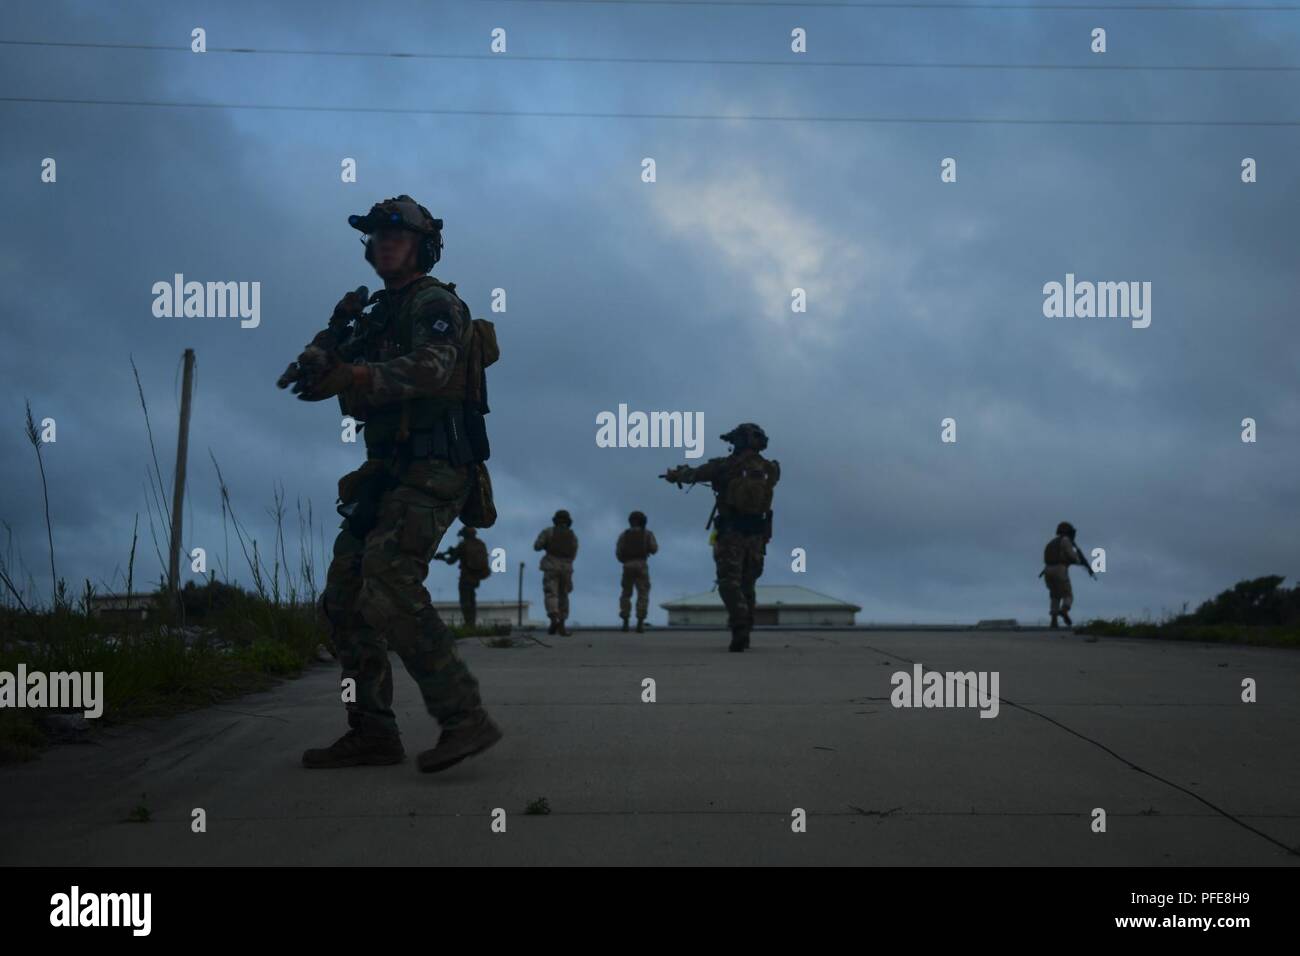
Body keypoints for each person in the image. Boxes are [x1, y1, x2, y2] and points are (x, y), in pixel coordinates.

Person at [284, 194, 502, 773]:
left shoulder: (434, 303)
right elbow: (327, 364)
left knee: (388, 581)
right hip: (387, 471)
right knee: (343, 600)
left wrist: (351, 374)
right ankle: (373, 731)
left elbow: (435, 368)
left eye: (396, 235)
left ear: (422, 246)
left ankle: (464, 718)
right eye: (377, 236)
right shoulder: (376, 311)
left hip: (436, 465)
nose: (383, 243)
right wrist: (320, 356)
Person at [662, 423, 780, 652]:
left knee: (728, 582)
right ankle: (745, 628)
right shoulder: (770, 469)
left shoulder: (725, 465)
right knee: (748, 583)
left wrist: (675, 475)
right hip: (757, 534)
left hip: (731, 532)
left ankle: (739, 623)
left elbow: (694, 474)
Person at [1041, 521, 1095, 630]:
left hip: (1047, 570)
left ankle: (1054, 621)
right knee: (1067, 594)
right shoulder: (1065, 541)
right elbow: (1071, 555)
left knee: (1055, 595)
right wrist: (1080, 561)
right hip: (1060, 569)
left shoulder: (1051, 542)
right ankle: (1064, 610)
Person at [435, 527, 492, 627]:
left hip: (466, 578)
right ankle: (472, 624)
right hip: (476, 578)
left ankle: (469, 624)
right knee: (472, 600)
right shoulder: (480, 544)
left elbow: (451, 561)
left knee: (465, 601)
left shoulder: (463, 545)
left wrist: (442, 558)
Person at [534, 510, 578, 635]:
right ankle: (562, 624)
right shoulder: (572, 535)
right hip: (566, 568)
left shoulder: (548, 532)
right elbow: (574, 553)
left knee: (551, 594)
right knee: (564, 595)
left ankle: (554, 619)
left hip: (551, 565)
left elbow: (537, 546)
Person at [615, 511, 658, 632]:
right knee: (643, 593)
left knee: (626, 593)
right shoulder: (647, 534)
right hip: (641, 565)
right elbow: (654, 549)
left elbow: (618, 552)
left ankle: (625, 621)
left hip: (627, 565)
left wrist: (625, 561)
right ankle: (640, 621)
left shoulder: (624, 535)